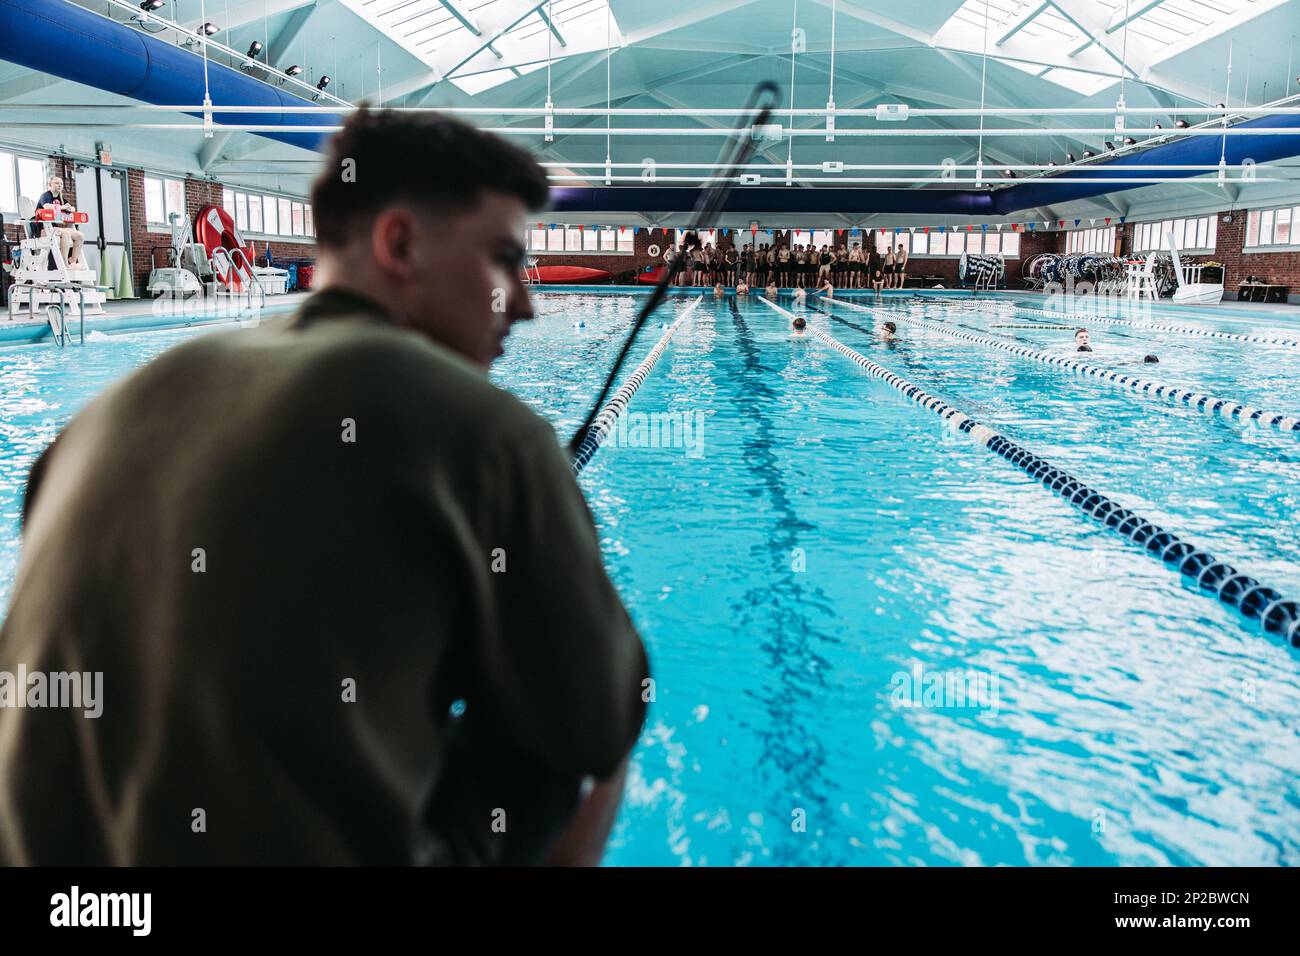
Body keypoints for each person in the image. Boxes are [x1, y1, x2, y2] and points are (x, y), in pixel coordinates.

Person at [0, 108, 649, 867]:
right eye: (505, 260)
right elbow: (598, 716)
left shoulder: (109, 413)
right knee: (588, 723)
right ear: (400, 242)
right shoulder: (488, 434)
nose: (528, 300)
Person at [33, 174, 86, 270]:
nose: (59, 185)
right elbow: (47, 207)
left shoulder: (60, 198)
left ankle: (72, 260)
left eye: (61, 183)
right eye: (56, 183)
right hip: (44, 229)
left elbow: (72, 208)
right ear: (49, 185)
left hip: (56, 228)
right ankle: (64, 262)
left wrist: (70, 208)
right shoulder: (45, 196)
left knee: (80, 236)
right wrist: (63, 207)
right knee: (65, 233)